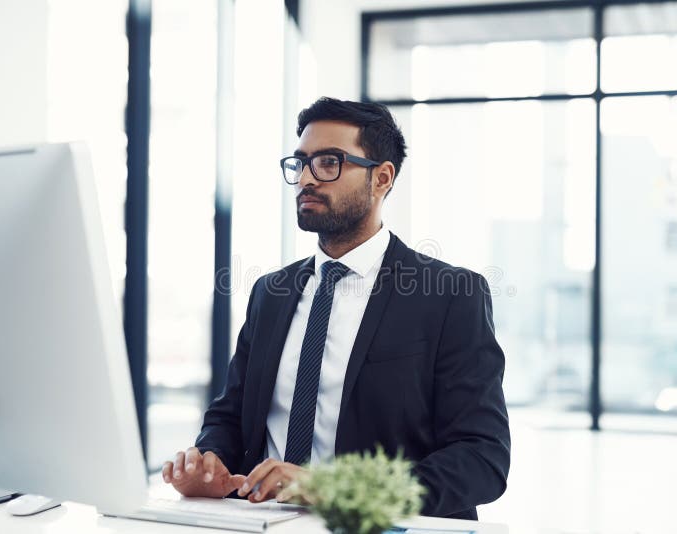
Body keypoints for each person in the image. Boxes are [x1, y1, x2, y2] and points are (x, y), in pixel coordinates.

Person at [162, 97, 510, 520]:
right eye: (301, 163)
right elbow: (230, 414)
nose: (307, 178)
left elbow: (482, 458)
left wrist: (333, 488)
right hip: (261, 521)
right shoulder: (271, 292)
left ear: (382, 178)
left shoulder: (450, 294)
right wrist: (209, 461)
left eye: (329, 163)